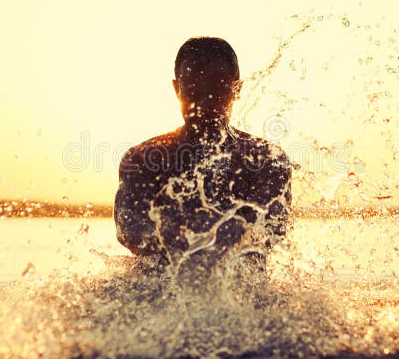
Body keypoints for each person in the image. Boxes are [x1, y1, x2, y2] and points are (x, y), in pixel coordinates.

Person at [114, 37, 292, 265]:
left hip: (239, 296)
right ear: (177, 89)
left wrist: (188, 239)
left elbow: (271, 228)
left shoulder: (266, 160)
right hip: (159, 294)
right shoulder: (143, 159)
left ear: (236, 90)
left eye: (217, 90)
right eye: (195, 92)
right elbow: (130, 229)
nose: (206, 103)